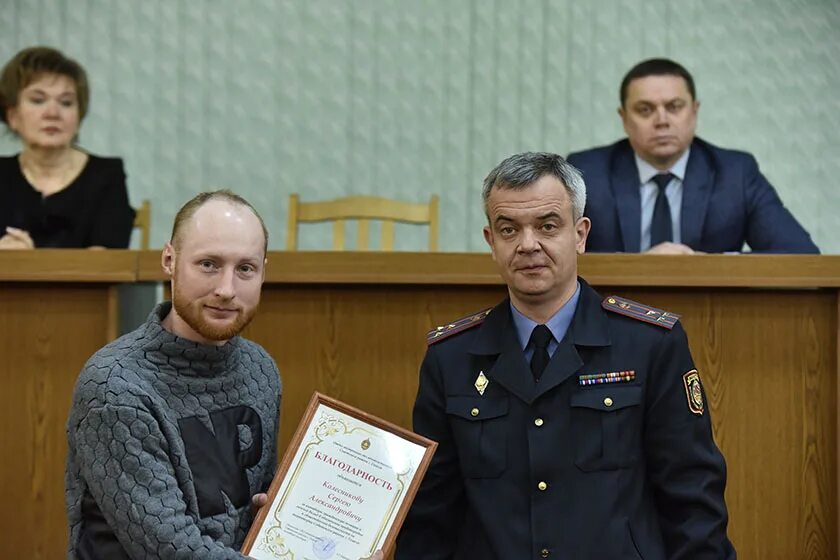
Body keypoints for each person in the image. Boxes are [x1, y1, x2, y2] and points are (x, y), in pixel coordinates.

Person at [395, 152, 735, 559]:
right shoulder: (451, 358)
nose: (528, 244)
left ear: (580, 233)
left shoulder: (650, 345)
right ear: (491, 241)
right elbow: (431, 516)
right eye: (509, 229)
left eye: (547, 226)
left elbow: (693, 501)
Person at [65, 191, 277, 558]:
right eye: (208, 264)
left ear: (263, 273)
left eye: (245, 268)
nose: (226, 289)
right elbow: (169, 550)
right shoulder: (114, 386)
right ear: (169, 260)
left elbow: (259, 502)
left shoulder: (260, 368)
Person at [567, 58, 818, 254]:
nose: (662, 121)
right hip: (612, 312)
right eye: (645, 110)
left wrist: (704, 264)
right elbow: (558, 259)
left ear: (694, 111)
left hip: (710, 314)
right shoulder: (587, 172)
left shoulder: (735, 173)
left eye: (674, 107)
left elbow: (800, 254)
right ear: (624, 118)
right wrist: (638, 266)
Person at [0, 46, 134, 249]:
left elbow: (107, 261)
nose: (53, 113)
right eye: (38, 100)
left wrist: (27, 263)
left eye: (66, 102)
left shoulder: (106, 175)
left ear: (78, 117)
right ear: (12, 116)